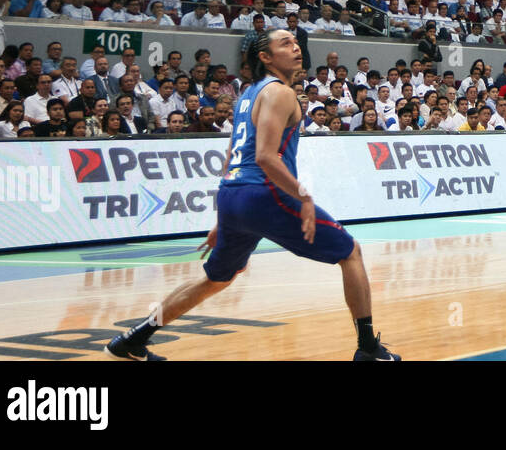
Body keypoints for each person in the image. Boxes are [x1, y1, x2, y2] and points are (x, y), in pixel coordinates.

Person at [106, 29, 400, 361]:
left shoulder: (248, 94)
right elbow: (264, 156)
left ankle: (133, 338)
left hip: (234, 194)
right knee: (351, 252)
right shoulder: (281, 93)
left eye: (295, 41)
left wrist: (224, 218)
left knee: (216, 279)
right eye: (284, 44)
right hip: (266, 193)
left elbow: (233, 154)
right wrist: (303, 196)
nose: (295, 47)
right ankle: (368, 348)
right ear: (265, 57)